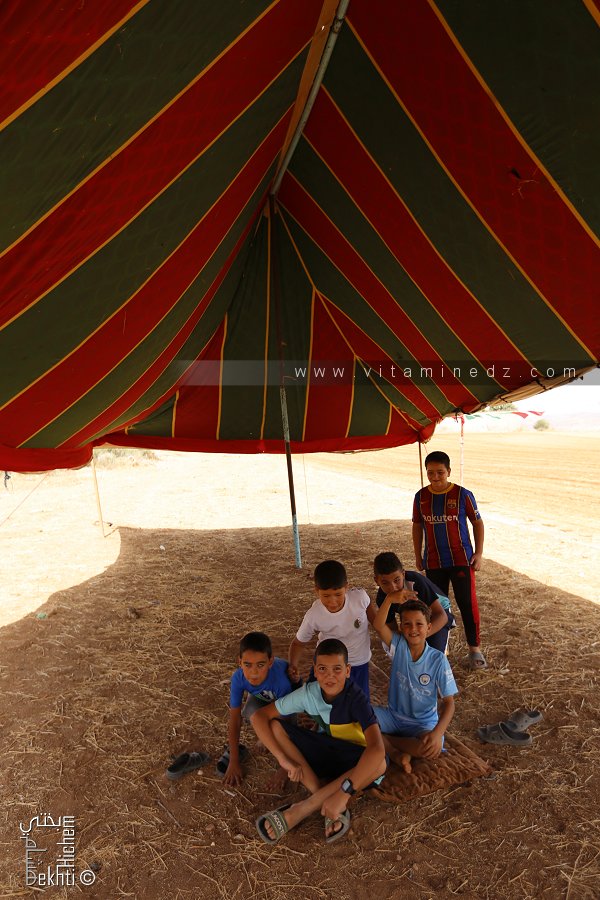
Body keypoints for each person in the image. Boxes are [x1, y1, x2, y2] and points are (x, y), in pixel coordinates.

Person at [252, 639, 386, 844]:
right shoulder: (309, 694)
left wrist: (344, 793)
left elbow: (377, 749)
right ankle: (325, 799)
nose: (330, 676)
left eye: (337, 669)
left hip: (352, 762)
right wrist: (283, 760)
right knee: (276, 727)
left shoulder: (356, 698)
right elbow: (259, 717)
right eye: (322, 668)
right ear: (314, 669)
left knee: (380, 763)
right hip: (328, 749)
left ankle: (302, 809)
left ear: (348, 670)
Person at [412, 450, 487, 669]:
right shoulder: (421, 497)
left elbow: (477, 523)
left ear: (449, 471)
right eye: (431, 473)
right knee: (436, 606)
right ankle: (438, 649)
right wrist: (418, 555)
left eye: (440, 472)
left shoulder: (463, 495)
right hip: (434, 561)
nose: (435, 477)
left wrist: (479, 553)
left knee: (466, 603)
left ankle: (475, 650)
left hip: (461, 560)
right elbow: (417, 527)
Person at [372, 597, 457, 771]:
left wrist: (437, 733)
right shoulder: (398, 645)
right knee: (356, 716)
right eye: (407, 624)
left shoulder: (437, 659)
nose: (413, 629)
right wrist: (389, 599)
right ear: (401, 628)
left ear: (429, 627)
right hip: (393, 716)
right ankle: (397, 750)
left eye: (419, 624)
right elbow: (378, 625)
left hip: (422, 723)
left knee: (430, 748)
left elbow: (449, 703)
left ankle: (386, 740)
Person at [288, 559, 375, 699]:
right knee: (315, 700)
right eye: (326, 596)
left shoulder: (360, 598)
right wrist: (293, 665)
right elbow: (298, 642)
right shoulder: (314, 614)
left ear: (347, 587)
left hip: (357, 663)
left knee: (358, 703)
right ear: (316, 590)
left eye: (338, 594)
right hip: (327, 664)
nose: (332, 601)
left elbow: (376, 622)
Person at [220, 631, 298, 787]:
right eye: (247, 665)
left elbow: (287, 722)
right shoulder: (238, 678)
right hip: (262, 698)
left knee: (278, 726)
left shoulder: (281, 681)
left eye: (260, 665)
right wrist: (234, 761)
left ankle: (267, 739)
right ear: (240, 662)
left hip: (286, 703)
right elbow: (235, 719)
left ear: (270, 662)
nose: (253, 672)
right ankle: (264, 734)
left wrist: (285, 766)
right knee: (249, 714)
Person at [373, 551, 454, 653]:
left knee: (433, 653)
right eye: (385, 583)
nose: (393, 588)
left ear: (403, 574)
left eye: (397, 580)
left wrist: (420, 638)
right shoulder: (383, 599)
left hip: (439, 612)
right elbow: (392, 628)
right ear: (377, 581)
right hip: (416, 619)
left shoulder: (416, 582)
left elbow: (442, 616)